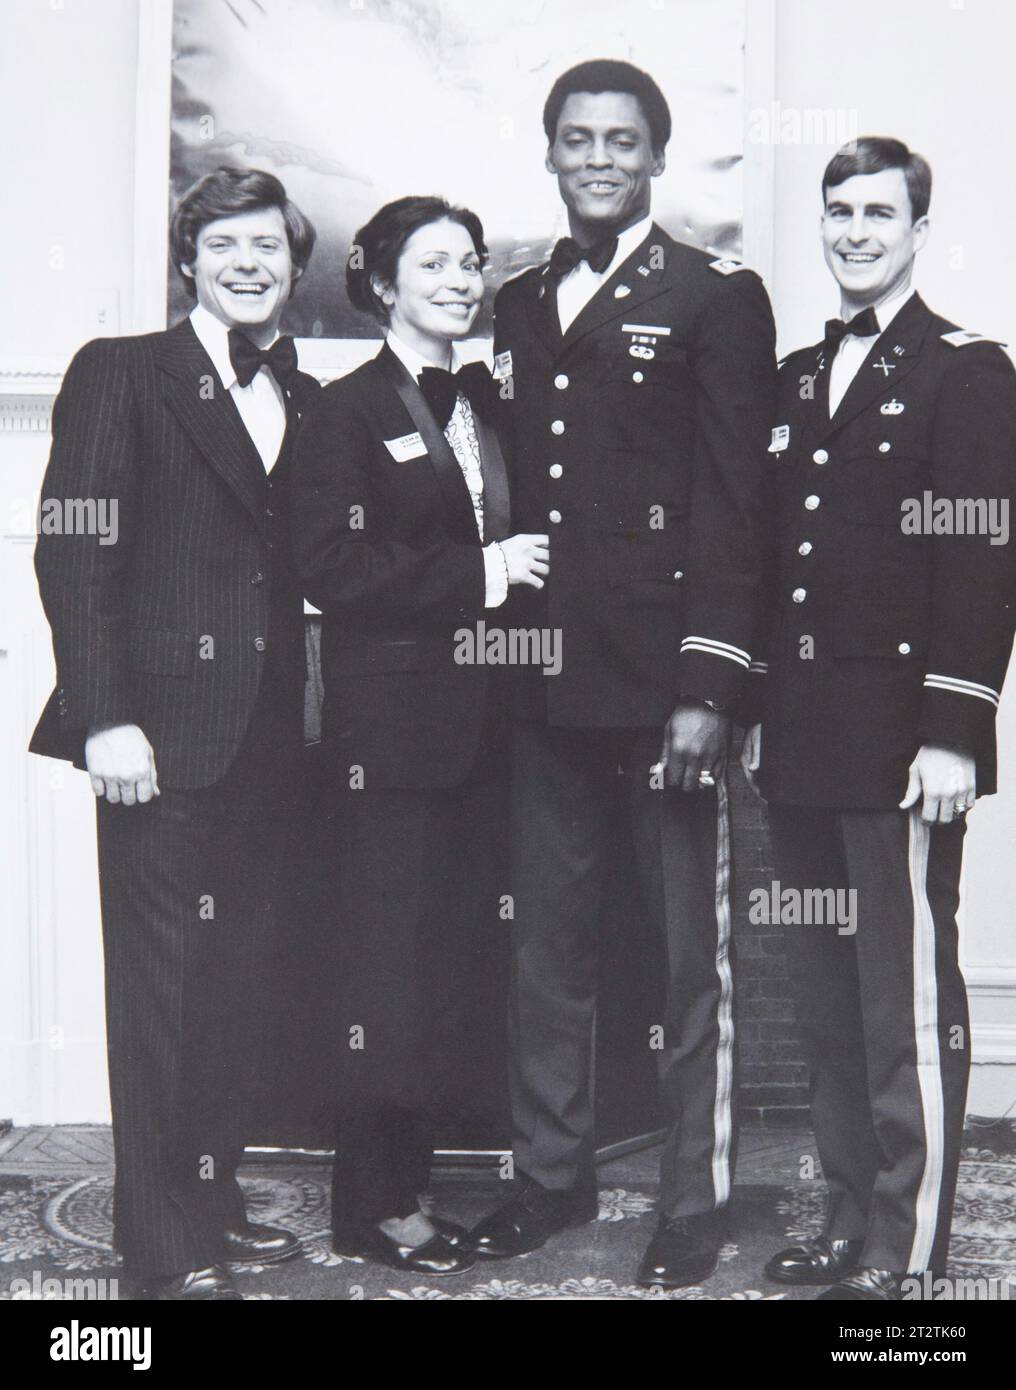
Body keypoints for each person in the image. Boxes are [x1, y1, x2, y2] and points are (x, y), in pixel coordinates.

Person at [465, 60, 778, 1288]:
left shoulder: (712, 295)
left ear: (656, 158)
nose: (598, 157)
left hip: (661, 690)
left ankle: (689, 1202)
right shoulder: (517, 297)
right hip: (542, 679)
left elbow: (736, 503)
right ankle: (549, 1178)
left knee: (686, 955)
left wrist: (708, 682)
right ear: (549, 154)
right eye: (577, 138)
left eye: (622, 139)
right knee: (545, 943)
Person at [31, 166, 322, 1299]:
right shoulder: (123, 372)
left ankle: (213, 1194)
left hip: (266, 742)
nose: (248, 265)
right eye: (226, 246)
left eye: (268, 248)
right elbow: (74, 543)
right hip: (152, 740)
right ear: (188, 260)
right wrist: (104, 717)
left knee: (240, 985)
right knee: (158, 996)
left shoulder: (296, 383)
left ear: (296, 266)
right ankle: (157, 1252)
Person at [742, 137, 1016, 1300]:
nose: (852, 231)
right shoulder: (798, 375)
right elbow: (768, 561)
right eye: (837, 211)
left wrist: (954, 726)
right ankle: (847, 1212)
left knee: (899, 998)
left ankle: (902, 1249)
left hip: (900, 746)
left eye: (876, 213)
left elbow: (978, 552)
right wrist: (753, 706)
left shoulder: (966, 370)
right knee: (821, 994)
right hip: (799, 739)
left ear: (917, 229)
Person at [290, 196, 549, 1275]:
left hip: (487, 732)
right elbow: (330, 570)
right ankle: (373, 1206)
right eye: (432, 262)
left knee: (443, 967)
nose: (459, 277)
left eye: (471, 261)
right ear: (382, 282)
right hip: (386, 741)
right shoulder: (341, 413)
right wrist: (483, 576)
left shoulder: (491, 403)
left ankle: (412, 1185)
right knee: (383, 975)